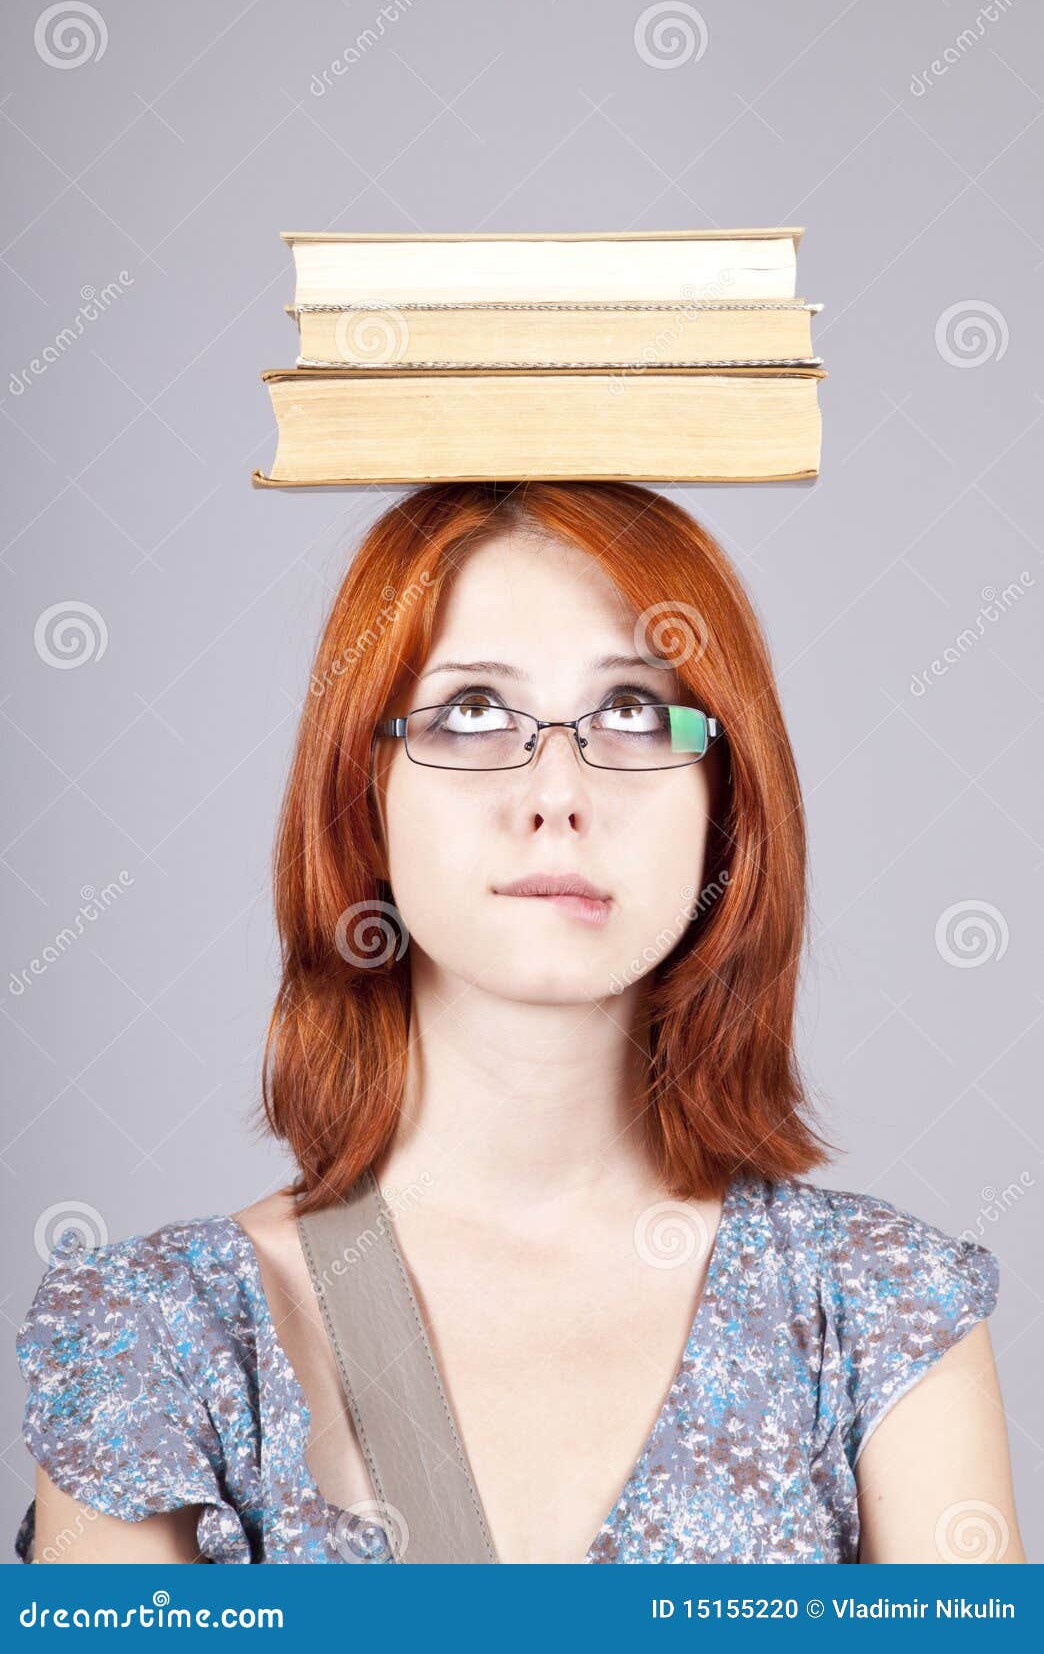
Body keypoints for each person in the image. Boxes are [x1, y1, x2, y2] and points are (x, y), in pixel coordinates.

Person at [16, 482, 1025, 1565]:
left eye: (633, 710)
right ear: (364, 790)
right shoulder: (153, 1337)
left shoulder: (882, 1315)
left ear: (726, 801)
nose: (557, 792)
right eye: (473, 711)